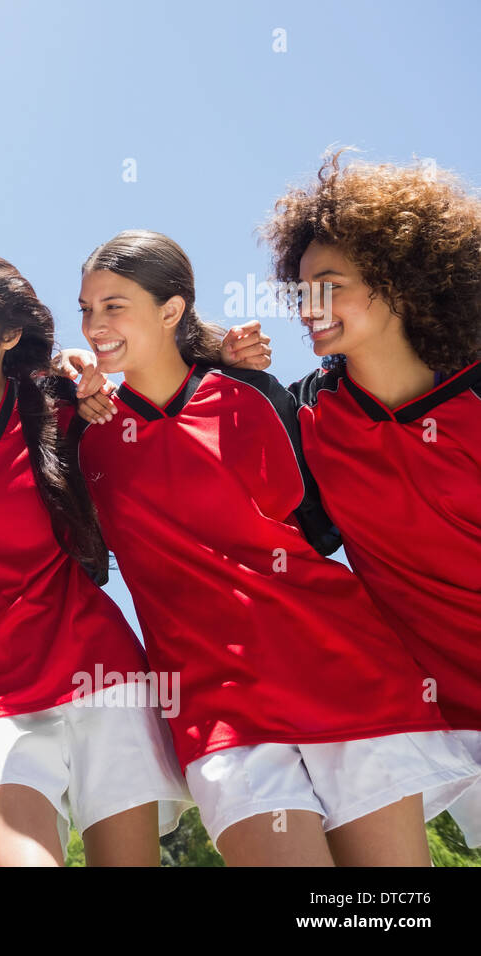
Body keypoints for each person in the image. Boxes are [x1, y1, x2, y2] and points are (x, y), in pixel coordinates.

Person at [71, 229, 477, 866]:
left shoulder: (256, 394)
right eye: (86, 309)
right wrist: (63, 372)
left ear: (171, 310)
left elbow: (319, 530)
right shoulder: (82, 430)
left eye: (113, 306)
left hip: (344, 670)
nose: (96, 324)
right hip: (217, 703)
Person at [0, 253, 192, 866]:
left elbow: (165, 382)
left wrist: (229, 351)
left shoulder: (65, 411)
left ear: (9, 335)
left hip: (100, 672)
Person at [262, 152, 481, 847]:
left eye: (330, 286)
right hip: (443, 719)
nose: (308, 308)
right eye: (302, 290)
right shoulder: (309, 415)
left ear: (403, 279)